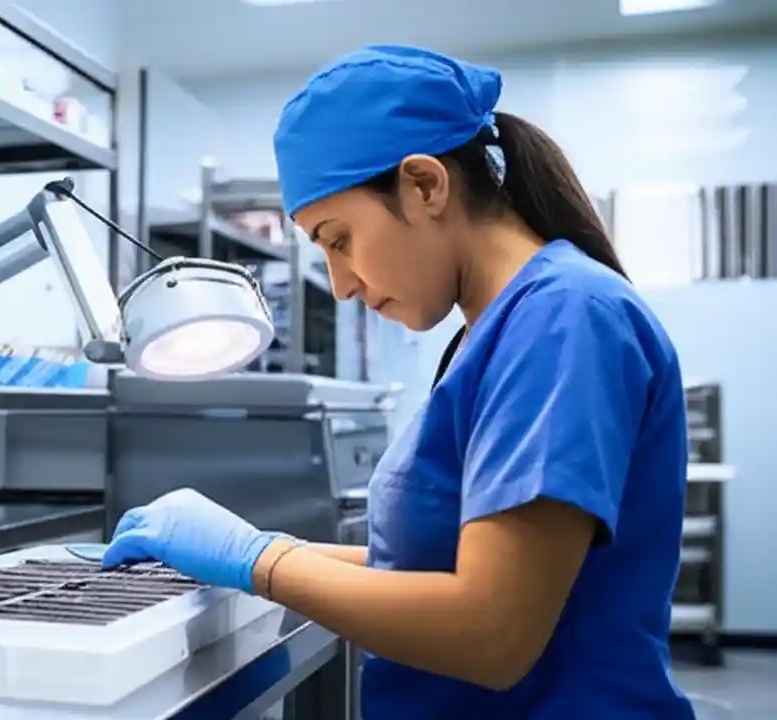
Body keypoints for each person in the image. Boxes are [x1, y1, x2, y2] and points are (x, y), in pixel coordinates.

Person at [102, 45, 695, 719]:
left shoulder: (564, 318)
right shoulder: (499, 329)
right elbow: (438, 571)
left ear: (424, 186)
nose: (343, 285)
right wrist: (238, 553)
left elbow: (491, 631)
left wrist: (259, 561)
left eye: (339, 239)